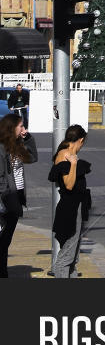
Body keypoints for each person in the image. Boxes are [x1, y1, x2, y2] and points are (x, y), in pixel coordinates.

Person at [48, 126, 91, 279]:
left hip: (74, 207)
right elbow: (69, 185)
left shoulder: (67, 153)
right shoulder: (66, 155)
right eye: (83, 143)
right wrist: (73, 164)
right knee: (66, 257)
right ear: (81, 140)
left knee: (73, 257)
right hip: (70, 210)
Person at [0, 113, 38, 277]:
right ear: (11, 128)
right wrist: (6, 195)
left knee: (5, 240)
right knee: (2, 241)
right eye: (21, 126)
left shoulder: (17, 145)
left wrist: (28, 139)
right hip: (6, 199)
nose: (24, 129)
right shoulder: (1, 148)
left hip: (16, 198)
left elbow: (32, 158)